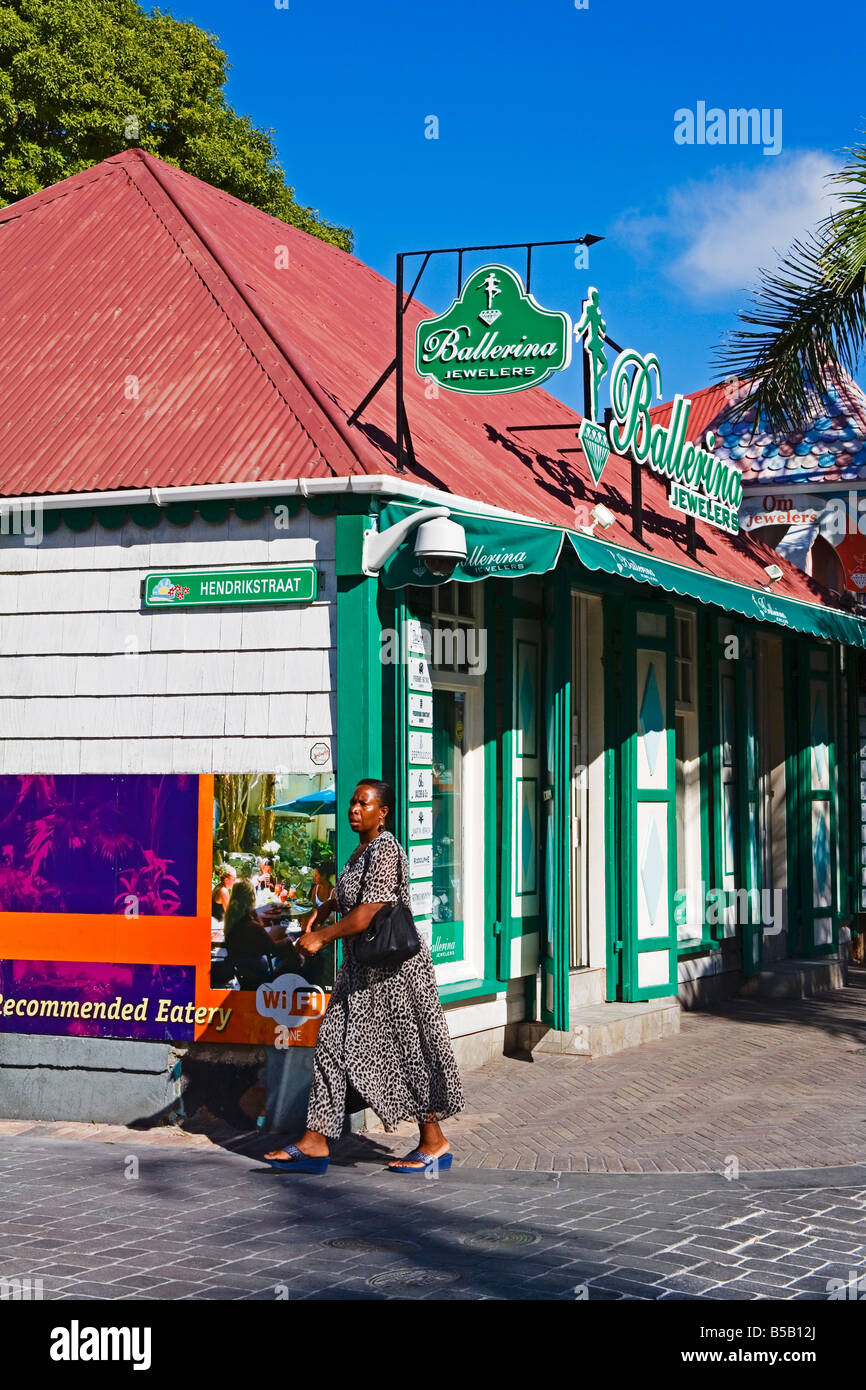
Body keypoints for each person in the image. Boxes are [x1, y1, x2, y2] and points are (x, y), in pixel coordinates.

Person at [264, 779, 465, 1176]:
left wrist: (321, 936)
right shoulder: (361, 852)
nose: (354, 809)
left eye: (364, 803)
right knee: (330, 1047)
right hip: (361, 975)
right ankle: (315, 1141)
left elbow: (370, 911)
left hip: (393, 976)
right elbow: (350, 897)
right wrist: (323, 908)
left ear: (383, 812)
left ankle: (434, 1141)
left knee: (406, 1054)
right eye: (353, 802)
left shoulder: (386, 850)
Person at [223, 879, 303, 988]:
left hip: (243, 967)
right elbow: (273, 948)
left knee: (278, 930)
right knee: (290, 949)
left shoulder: (231, 918)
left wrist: (254, 913)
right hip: (258, 974)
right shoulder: (252, 926)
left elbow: (260, 931)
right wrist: (289, 939)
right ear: (252, 897)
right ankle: (276, 982)